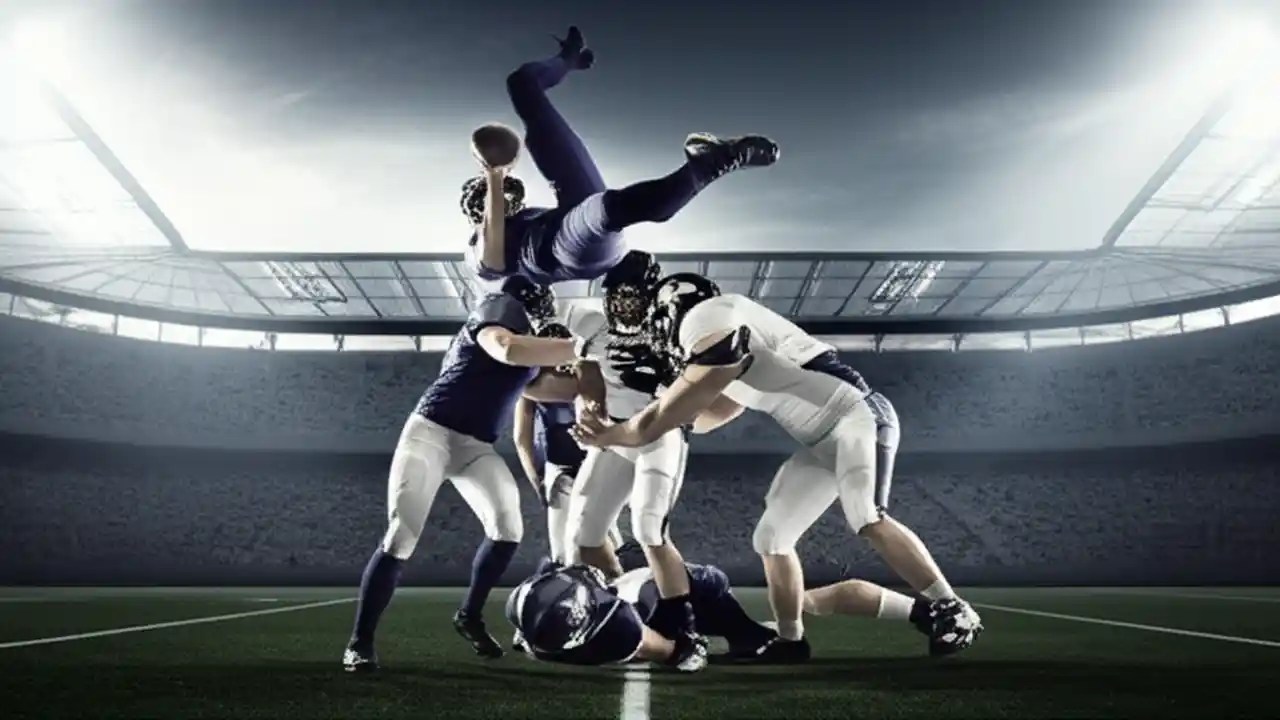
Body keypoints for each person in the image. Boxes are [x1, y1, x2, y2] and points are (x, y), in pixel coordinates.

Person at [572, 273, 984, 661]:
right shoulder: (728, 347)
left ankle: (951, 607)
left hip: (857, 415)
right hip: (821, 441)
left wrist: (616, 432)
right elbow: (707, 413)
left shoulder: (707, 318)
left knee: (866, 515)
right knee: (771, 538)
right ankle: (790, 639)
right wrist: (655, 422)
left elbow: (661, 418)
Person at [342, 278, 589, 672]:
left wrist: (617, 368)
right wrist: (582, 345)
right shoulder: (495, 321)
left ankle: (469, 615)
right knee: (401, 535)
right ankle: (360, 641)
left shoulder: (528, 356)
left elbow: (565, 389)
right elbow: (507, 349)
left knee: (508, 529)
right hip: (431, 433)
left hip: (475, 447)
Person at [462, 26, 779, 289]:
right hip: (563, 250)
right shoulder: (480, 245)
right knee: (607, 210)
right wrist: (493, 176)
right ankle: (710, 165)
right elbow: (492, 260)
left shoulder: (526, 213)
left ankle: (568, 57)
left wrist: (567, 59)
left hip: (567, 213)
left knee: (521, 84)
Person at [506, 561, 776, 672]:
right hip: (648, 616)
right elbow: (677, 655)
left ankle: (745, 631)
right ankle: (748, 634)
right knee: (709, 581)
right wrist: (686, 644)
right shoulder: (621, 627)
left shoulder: (535, 627)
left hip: (622, 605)